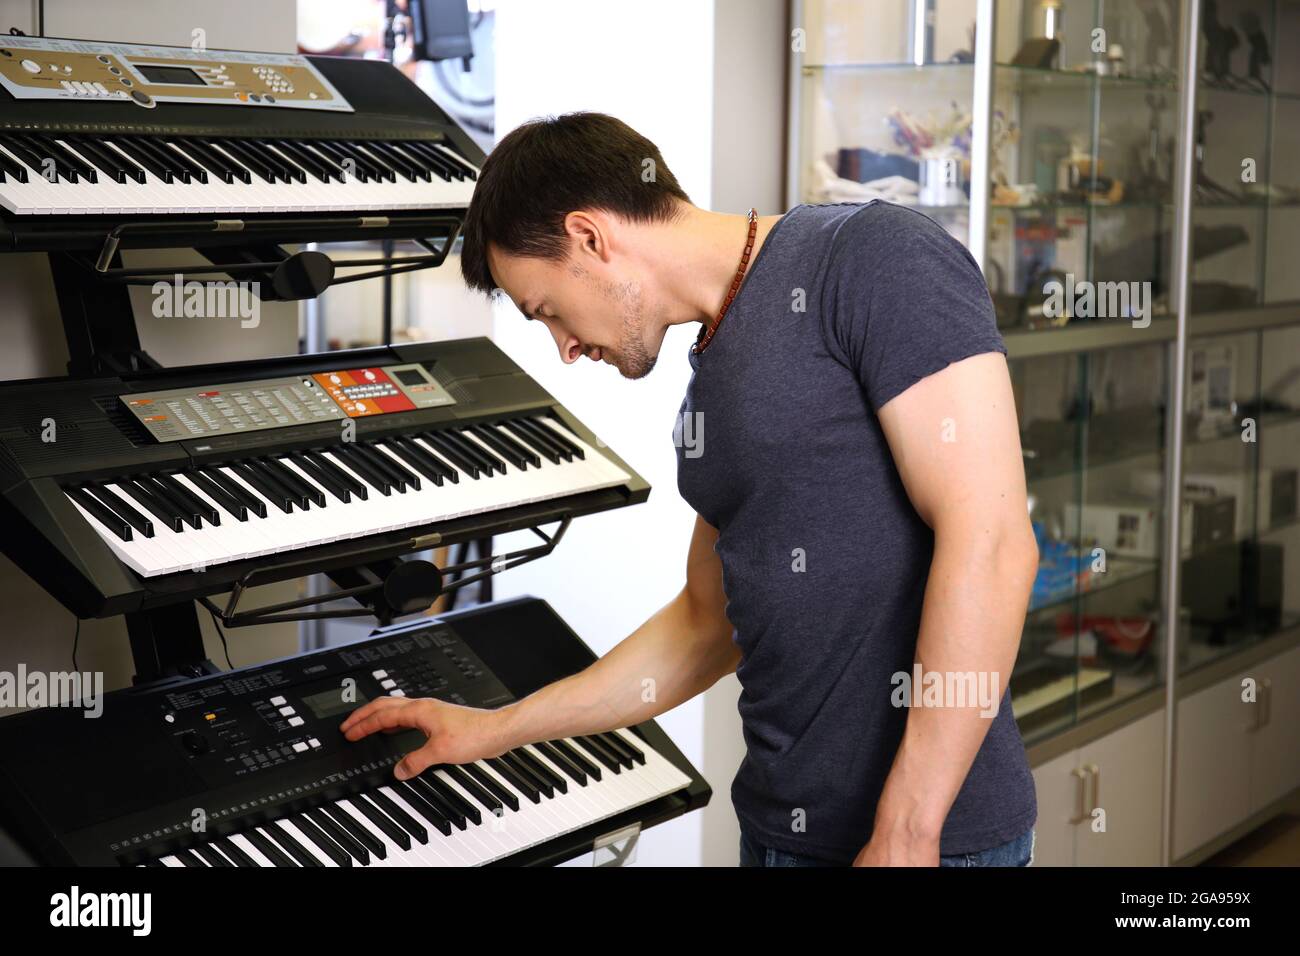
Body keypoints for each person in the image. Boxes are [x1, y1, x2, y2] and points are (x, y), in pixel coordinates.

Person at [341, 112, 1039, 867]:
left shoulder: (873, 256)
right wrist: (494, 727)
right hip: (780, 831)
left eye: (547, 311)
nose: (566, 348)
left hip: (930, 842)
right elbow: (705, 625)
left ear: (591, 237)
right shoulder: (711, 379)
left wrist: (908, 829)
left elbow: (992, 542)